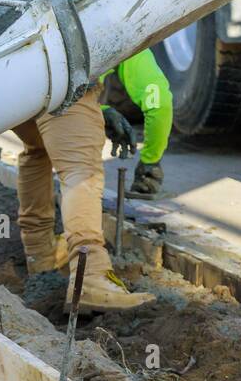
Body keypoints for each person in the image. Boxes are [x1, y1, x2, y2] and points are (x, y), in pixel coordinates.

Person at [12, 48, 172, 313]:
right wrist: (150, 161)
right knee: (81, 170)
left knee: (37, 150)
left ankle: (39, 255)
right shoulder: (126, 29)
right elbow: (160, 102)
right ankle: (91, 277)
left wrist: (104, 109)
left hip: (16, 73)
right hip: (64, 77)